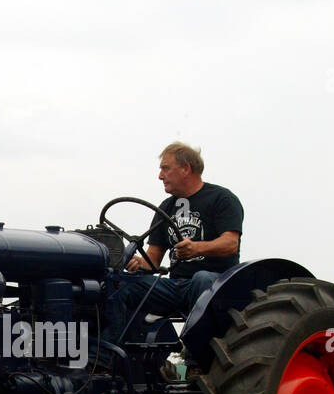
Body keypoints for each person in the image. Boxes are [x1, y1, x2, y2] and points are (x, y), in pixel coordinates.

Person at [103, 142, 244, 346]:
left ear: (186, 168)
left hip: (217, 283)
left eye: (165, 168)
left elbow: (230, 243)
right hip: (175, 286)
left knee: (201, 278)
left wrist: (197, 248)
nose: (160, 176)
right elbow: (153, 259)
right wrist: (135, 263)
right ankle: (106, 358)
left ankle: (199, 358)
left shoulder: (222, 199)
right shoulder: (166, 208)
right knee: (121, 286)